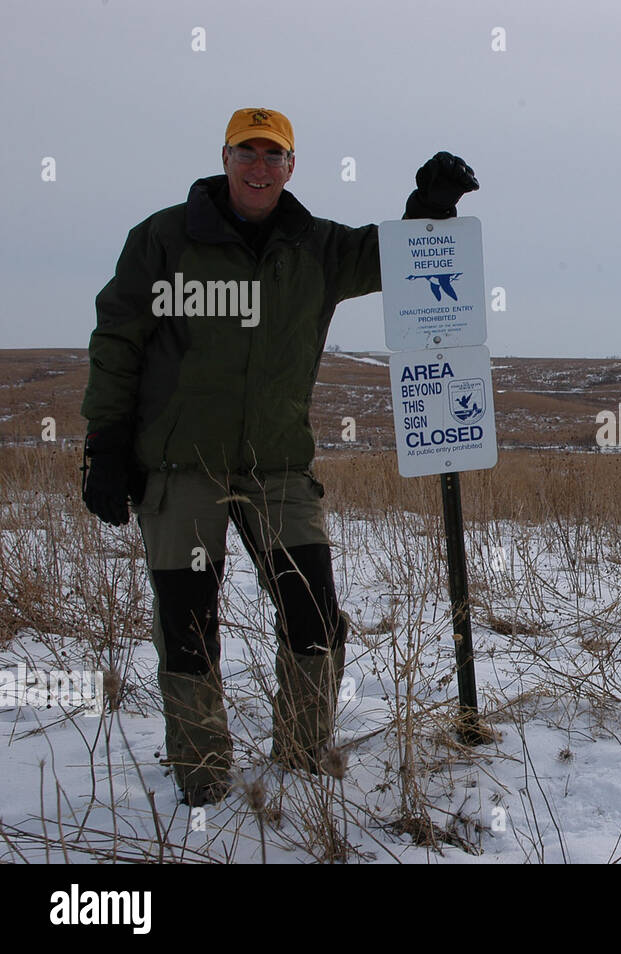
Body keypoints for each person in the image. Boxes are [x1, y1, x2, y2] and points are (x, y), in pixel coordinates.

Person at [80, 107, 479, 806]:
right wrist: (104, 444)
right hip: (180, 466)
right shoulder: (162, 241)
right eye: (247, 154)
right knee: (187, 620)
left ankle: (300, 752)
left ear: (291, 167)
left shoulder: (314, 247)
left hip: (277, 468)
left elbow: (396, 257)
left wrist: (428, 209)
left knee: (314, 614)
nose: (259, 169)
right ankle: (202, 772)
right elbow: (118, 341)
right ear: (225, 158)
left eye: (274, 156)